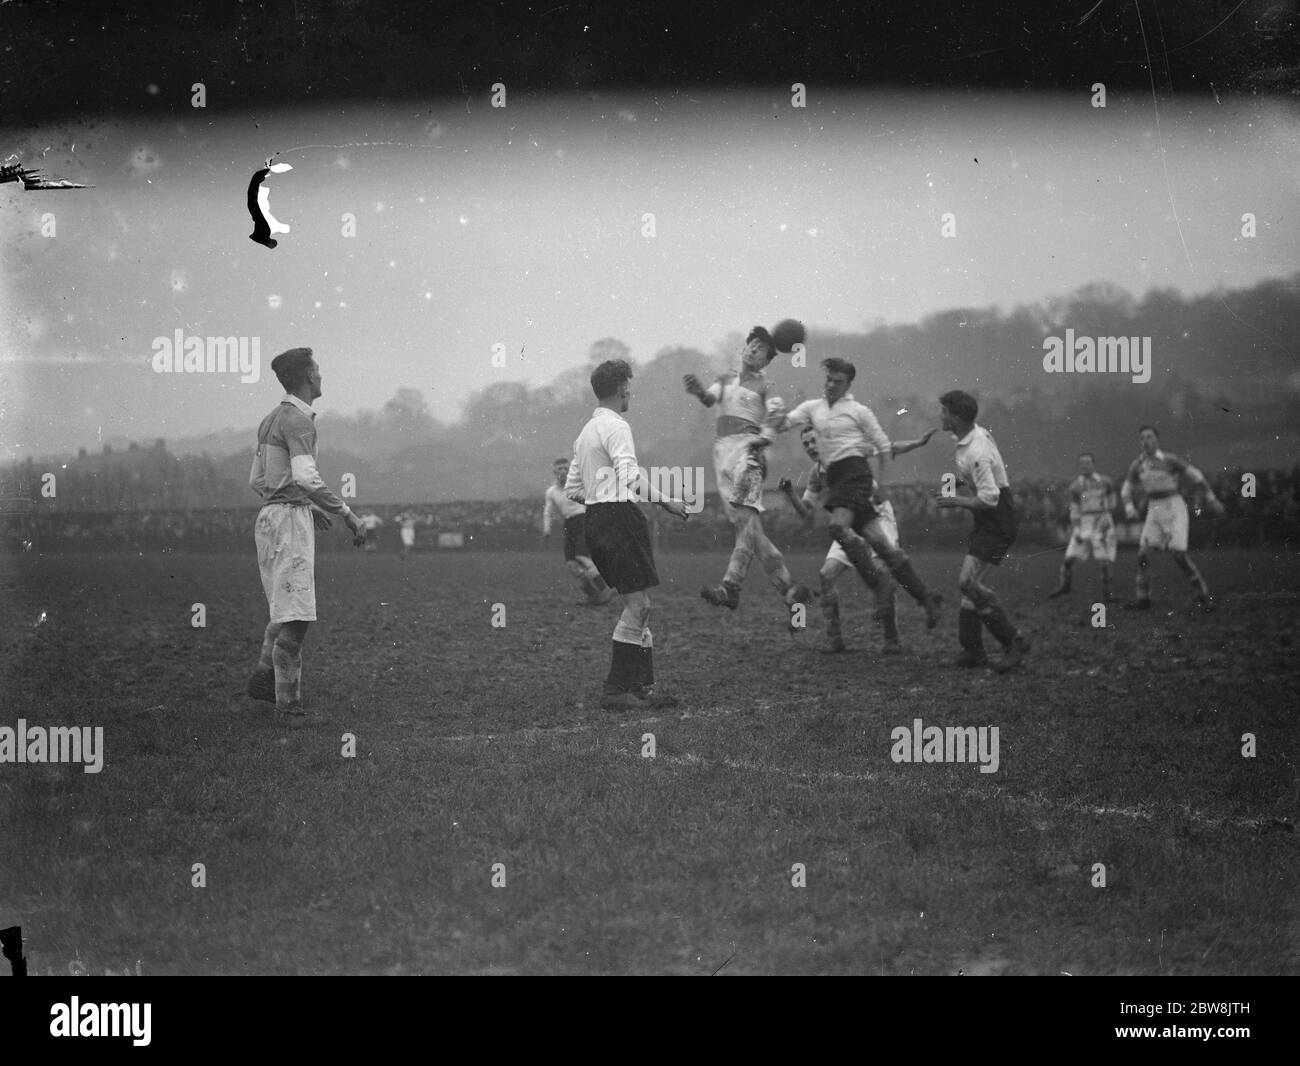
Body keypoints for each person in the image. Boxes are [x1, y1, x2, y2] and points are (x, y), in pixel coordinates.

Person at [770, 357, 943, 629]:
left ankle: (880, 586)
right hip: (843, 486)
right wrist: (774, 412)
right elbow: (781, 425)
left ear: (848, 384)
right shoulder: (812, 410)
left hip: (856, 475)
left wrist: (913, 446)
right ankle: (926, 597)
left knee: (838, 527)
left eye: (837, 381)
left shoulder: (857, 412)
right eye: (828, 379)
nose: (830, 385)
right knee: (885, 549)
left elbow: (885, 444)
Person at [246, 347, 365, 717]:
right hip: (287, 523)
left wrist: (306, 506)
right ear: (308, 377)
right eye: (318, 369)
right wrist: (347, 514)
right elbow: (305, 477)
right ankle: (289, 708)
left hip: (269, 517)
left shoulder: (269, 420)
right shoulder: (299, 421)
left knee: (284, 608)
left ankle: (264, 677)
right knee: (297, 617)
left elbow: (257, 481)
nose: (321, 375)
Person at [565, 359, 690, 710]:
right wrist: (668, 502)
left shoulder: (585, 433)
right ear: (622, 389)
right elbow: (631, 477)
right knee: (639, 605)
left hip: (595, 520)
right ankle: (617, 689)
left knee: (636, 605)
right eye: (629, 387)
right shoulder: (617, 427)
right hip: (619, 518)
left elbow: (573, 488)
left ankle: (640, 687)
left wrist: (597, 496)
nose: (630, 393)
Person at [684, 326, 811, 617]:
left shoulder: (767, 387)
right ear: (743, 348)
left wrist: (763, 438)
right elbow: (709, 398)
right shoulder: (726, 378)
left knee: (745, 524)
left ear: (766, 362)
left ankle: (731, 587)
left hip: (748, 454)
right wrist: (697, 391)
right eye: (752, 345)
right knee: (750, 529)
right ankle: (791, 591)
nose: (754, 351)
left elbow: (777, 414)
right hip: (722, 455)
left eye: (761, 350)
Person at [779, 424, 936, 654]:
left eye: (814, 441)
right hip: (848, 521)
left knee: (882, 570)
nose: (811, 447)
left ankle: (891, 639)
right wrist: (790, 493)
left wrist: (917, 443)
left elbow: (887, 448)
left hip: (876, 516)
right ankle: (835, 639)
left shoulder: (845, 452)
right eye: (806, 444)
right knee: (826, 574)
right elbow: (806, 511)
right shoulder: (816, 473)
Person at [934, 389, 1030, 672]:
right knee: (969, 587)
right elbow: (979, 479)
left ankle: (1013, 641)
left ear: (957, 417)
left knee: (968, 583)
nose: (940, 415)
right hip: (988, 519)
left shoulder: (977, 451)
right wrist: (954, 485)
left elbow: (990, 498)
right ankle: (973, 651)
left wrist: (955, 501)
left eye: (944, 412)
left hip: (997, 520)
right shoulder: (970, 438)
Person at [1120, 426, 1224, 612]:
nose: (1145, 440)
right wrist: (1129, 508)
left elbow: (1196, 476)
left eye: (1149, 437)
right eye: (1142, 437)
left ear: (1156, 440)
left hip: (1173, 506)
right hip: (1154, 509)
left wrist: (1211, 498)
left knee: (1178, 555)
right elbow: (1125, 490)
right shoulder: (1137, 464)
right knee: (1142, 554)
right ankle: (1143, 599)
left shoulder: (1169, 459)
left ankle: (1203, 596)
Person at [543, 457, 614, 605]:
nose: (562, 471)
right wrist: (547, 529)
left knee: (582, 556)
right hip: (569, 524)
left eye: (565, 468)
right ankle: (593, 595)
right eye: (559, 469)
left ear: (569, 470)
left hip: (583, 519)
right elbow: (548, 512)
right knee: (571, 565)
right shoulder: (551, 492)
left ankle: (604, 588)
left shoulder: (578, 483)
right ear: (554, 472)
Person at [1048, 453, 1118, 602]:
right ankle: (1065, 586)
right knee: (1068, 559)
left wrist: (1107, 517)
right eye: (1082, 463)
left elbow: (1113, 502)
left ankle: (1108, 593)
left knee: (1104, 561)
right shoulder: (1075, 486)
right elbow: (1074, 510)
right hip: (1085, 521)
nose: (1085, 466)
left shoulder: (1106, 482)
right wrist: (1078, 529)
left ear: (1093, 464)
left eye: (1088, 462)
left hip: (1102, 520)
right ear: (1079, 466)